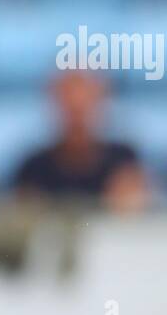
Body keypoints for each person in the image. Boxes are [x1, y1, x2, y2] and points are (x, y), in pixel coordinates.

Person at [13, 70, 149, 210]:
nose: (77, 116)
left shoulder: (124, 162)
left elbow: (146, 213)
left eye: (85, 104)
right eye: (69, 105)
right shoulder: (33, 169)